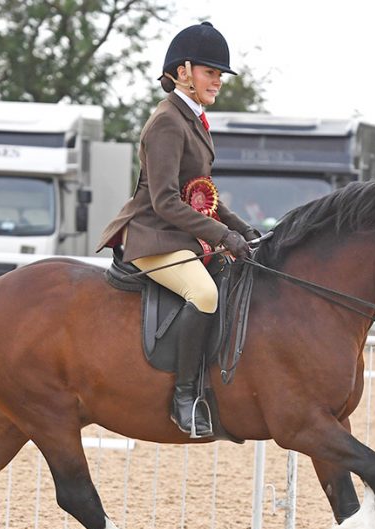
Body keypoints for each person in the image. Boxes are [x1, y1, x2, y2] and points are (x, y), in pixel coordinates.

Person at [95, 21, 260, 438]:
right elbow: (166, 200)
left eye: (220, 74)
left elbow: (200, 193)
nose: (218, 81)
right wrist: (223, 236)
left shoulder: (192, 119)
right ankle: (185, 398)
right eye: (211, 72)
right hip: (153, 236)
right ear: (183, 71)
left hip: (178, 234)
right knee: (203, 293)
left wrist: (242, 229)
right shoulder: (167, 121)